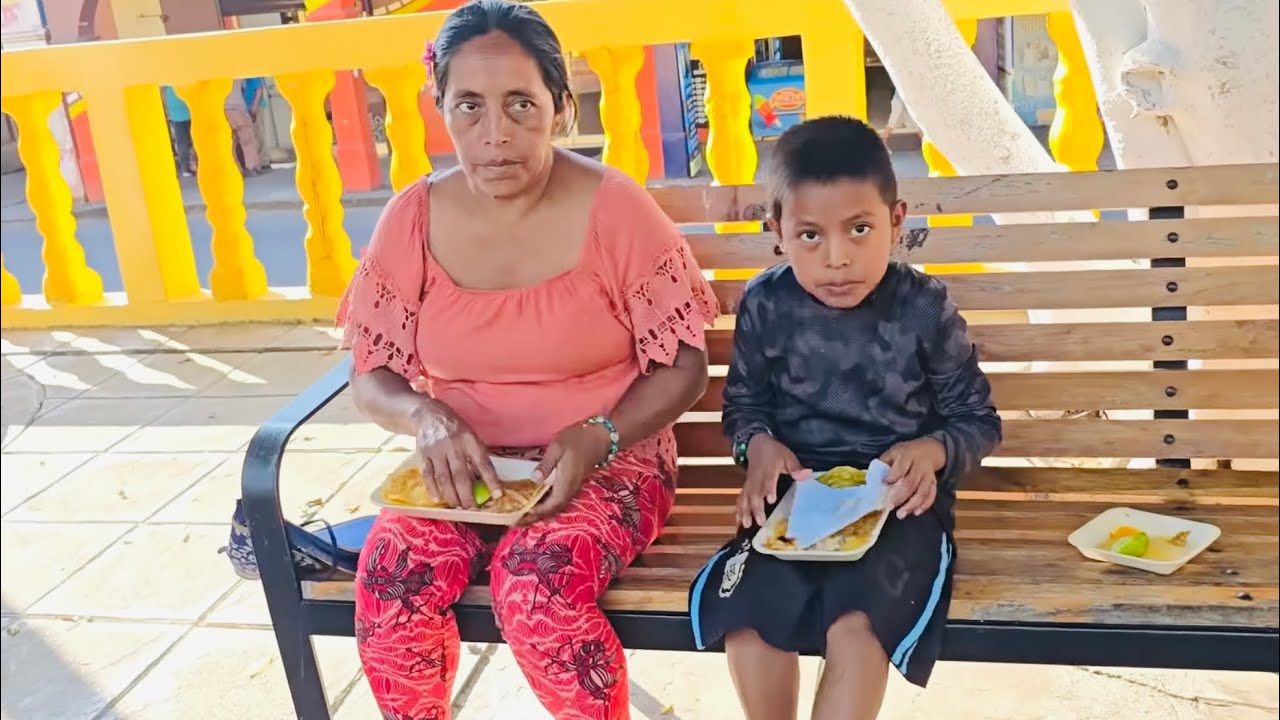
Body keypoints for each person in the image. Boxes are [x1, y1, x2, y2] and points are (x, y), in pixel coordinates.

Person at [336, 2, 717, 718]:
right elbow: (372, 376)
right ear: (440, 108)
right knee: (390, 584)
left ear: (561, 107)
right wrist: (426, 416)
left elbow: (684, 367)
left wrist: (600, 433)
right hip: (466, 466)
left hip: (607, 457)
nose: (495, 135)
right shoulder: (411, 218)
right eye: (469, 107)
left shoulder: (617, 211)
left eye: (520, 104)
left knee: (535, 585)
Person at [686, 116, 1002, 720]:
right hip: (795, 503)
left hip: (900, 505)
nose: (838, 258)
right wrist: (758, 447)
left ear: (896, 220)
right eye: (810, 236)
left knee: (856, 631)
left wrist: (932, 451)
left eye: (860, 230)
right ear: (776, 231)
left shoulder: (921, 306)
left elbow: (976, 418)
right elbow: (745, 405)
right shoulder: (766, 303)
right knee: (752, 624)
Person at [225, 78, 264, 176]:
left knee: (231, 144)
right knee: (248, 141)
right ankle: (253, 167)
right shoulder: (238, 76)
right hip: (240, 109)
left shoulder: (219, 78)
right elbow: (243, 89)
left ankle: (236, 169)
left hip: (225, 111)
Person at [161, 86, 195, 177]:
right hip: (189, 108)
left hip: (176, 112)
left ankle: (186, 168)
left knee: (182, 142)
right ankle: (195, 164)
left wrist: (167, 110)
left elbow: (163, 92)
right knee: (196, 140)